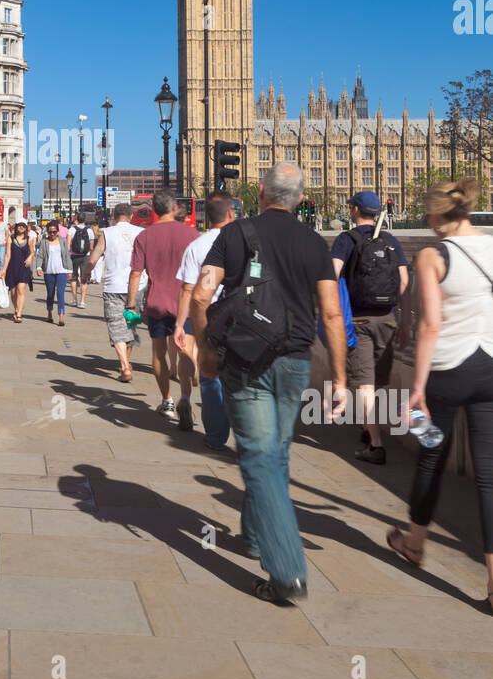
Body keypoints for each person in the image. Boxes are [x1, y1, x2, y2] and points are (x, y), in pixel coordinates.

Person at [192, 163, 347, 605]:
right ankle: (256, 537)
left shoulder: (235, 234)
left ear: (260, 193)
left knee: (260, 457)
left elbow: (202, 294)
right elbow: (331, 313)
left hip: (245, 360)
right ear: (300, 199)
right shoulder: (314, 242)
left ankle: (287, 573)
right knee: (273, 453)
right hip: (295, 361)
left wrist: (205, 350)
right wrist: (340, 377)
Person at [387, 179, 493, 611]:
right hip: (489, 370)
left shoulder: (433, 254)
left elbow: (429, 325)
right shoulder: (491, 246)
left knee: (430, 458)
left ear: (433, 215)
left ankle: (414, 545)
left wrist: (417, 389)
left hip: (446, 375)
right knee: (489, 476)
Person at [332, 190, 410, 465]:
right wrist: (404, 321)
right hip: (388, 319)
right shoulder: (390, 240)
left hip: (359, 321)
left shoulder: (346, 239)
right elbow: (404, 281)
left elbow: (332, 276)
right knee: (377, 383)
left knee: (364, 385)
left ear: (355, 210)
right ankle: (368, 428)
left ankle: (375, 445)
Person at [127, 189, 199, 424]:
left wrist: (130, 306)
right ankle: (185, 397)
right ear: (174, 208)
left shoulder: (144, 237)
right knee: (185, 350)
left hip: (157, 303)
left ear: (155, 211)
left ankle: (167, 400)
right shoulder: (192, 234)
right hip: (185, 303)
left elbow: (136, 274)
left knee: (159, 354)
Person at [174, 191, 237, 448]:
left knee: (210, 375)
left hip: (207, 317)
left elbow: (188, 289)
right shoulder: (244, 242)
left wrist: (180, 324)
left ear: (206, 216)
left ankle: (215, 437)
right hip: (239, 317)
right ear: (231, 213)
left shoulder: (197, 246)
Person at [89, 204, 146, 382]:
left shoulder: (107, 233)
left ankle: (124, 366)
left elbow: (94, 258)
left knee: (116, 325)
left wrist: (85, 274)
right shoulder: (141, 232)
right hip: (138, 286)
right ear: (131, 216)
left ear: (114, 216)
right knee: (130, 325)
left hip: (113, 286)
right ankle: (126, 362)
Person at [35, 220, 72, 325]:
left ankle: (61, 316)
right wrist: (38, 267)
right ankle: (49, 313)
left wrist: (70, 270)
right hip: (49, 270)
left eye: (54, 232)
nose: (52, 234)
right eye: (50, 232)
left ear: (57, 231)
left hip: (62, 270)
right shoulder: (44, 241)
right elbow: (40, 255)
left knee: (60, 293)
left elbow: (67, 255)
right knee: (50, 294)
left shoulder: (63, 240)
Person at [1, 220, 34, 323]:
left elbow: (32, 252)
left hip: (24, 267)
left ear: (26, 227)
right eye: (19, 225)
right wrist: (4, 269)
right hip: (12, 267)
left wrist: (30, 258)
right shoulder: (10, 238)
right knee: (13, 292)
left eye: (23, 226)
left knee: (21, 290)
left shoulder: (29, 239)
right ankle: (16, 308)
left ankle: (19, 314)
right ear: (16, 227)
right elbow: (7, 255)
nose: (21, 227)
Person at [68, 213, 92, 308]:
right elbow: (91, 246)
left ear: (77, 219)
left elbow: (68, 244)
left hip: (74, 255)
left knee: (73, 278)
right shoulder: (89, 230)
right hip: (85, 256)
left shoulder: (72, 230)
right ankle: (82, 301)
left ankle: (74, 300)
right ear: (85, 220)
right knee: (84, 278)